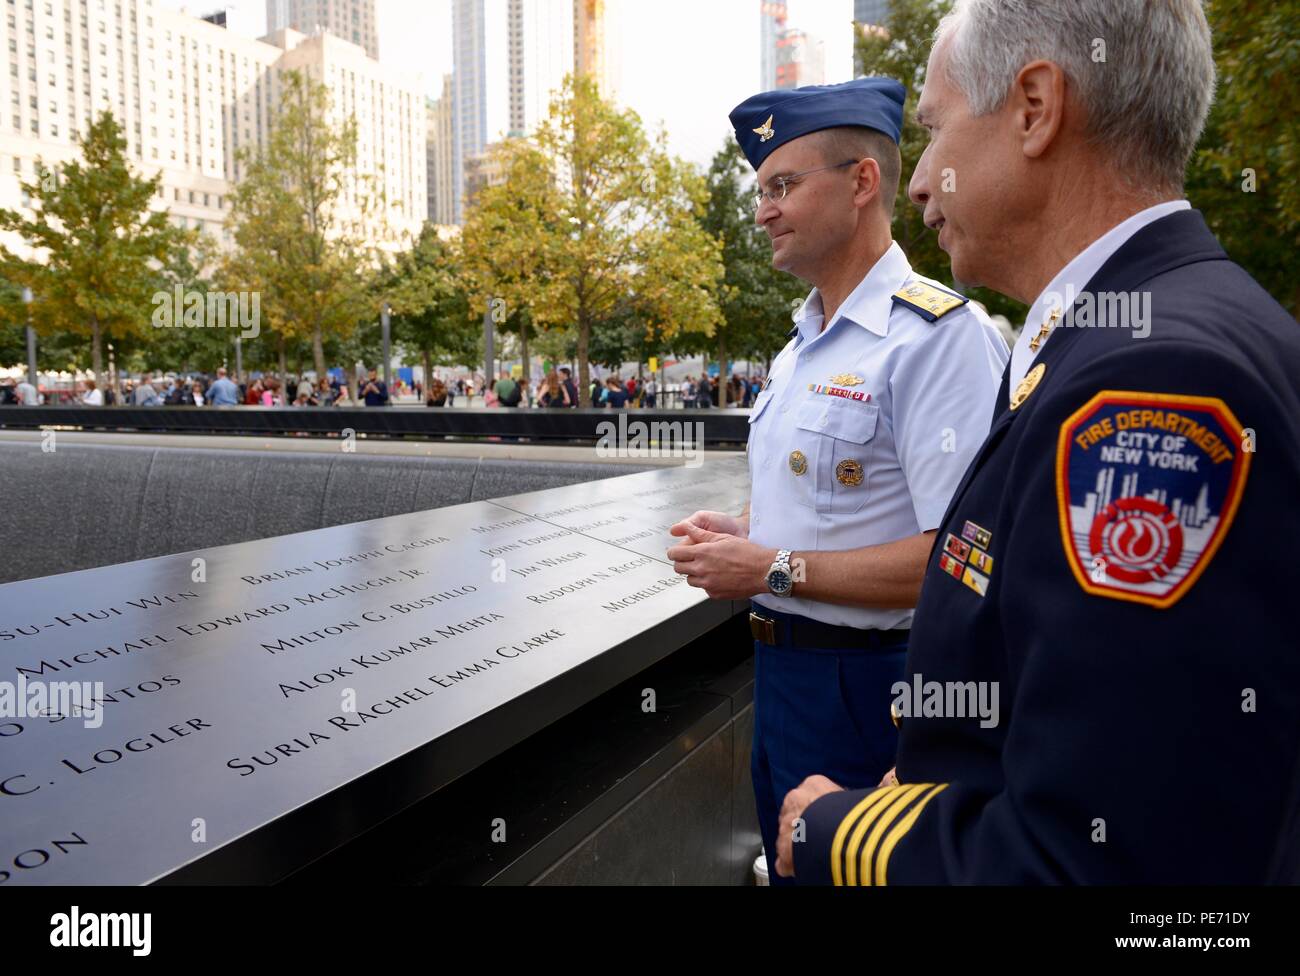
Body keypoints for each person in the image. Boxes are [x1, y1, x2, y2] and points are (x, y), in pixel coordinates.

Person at [781, 0, 1300, 886]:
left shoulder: (1150, 391)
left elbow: (1101, 863)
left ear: (1035, 108)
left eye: (938, 131)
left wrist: (840, 833)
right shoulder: (1157, 332)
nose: (918, 183)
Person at [667, 75, 1008, 886]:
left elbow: (965, 563)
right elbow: (832, 500)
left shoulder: (935, 341)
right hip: (785, 681)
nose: (763, 211)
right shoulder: (802, 345)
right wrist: (749, 530)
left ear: (862, 183)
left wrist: (773, 568)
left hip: (876, 691)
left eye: (783, 185)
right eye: (761, 191)